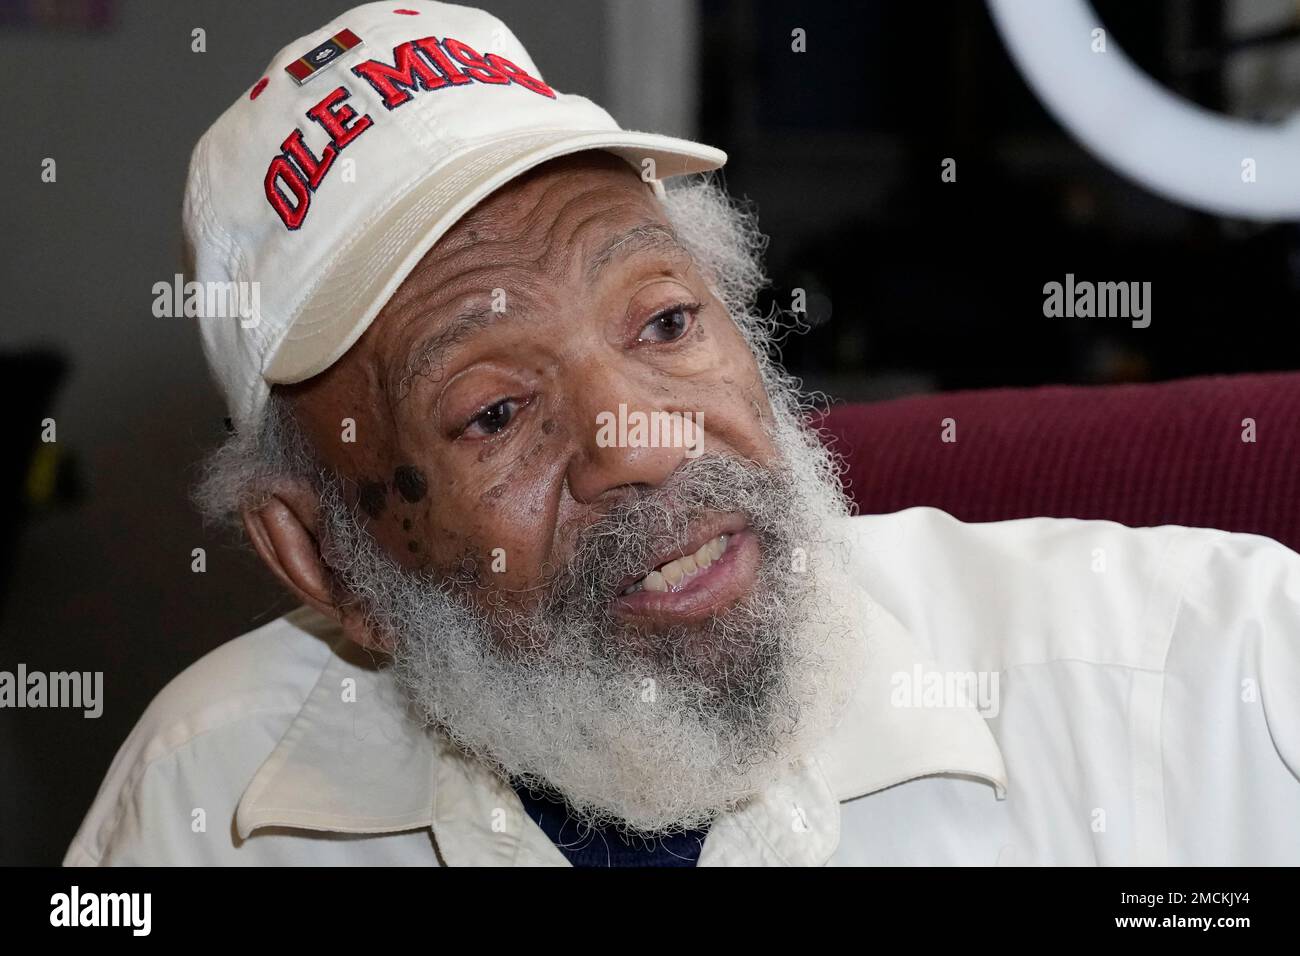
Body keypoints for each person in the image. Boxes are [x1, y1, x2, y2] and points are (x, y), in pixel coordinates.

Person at [66, 0, 1300, 866]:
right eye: (495, 412)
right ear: (328, 562)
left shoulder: (1214, 678)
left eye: (661, 321)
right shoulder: (206, 801)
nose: (644, 435)